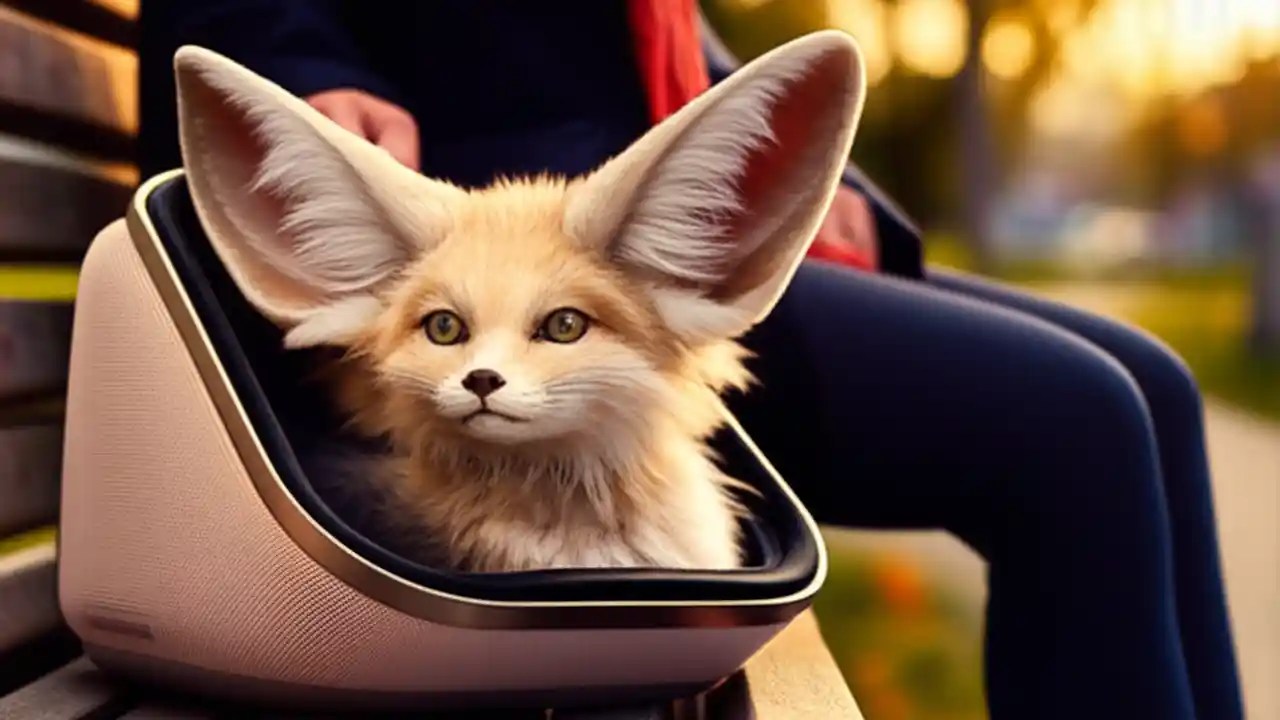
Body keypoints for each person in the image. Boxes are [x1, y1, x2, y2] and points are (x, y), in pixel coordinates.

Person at [135, 3, 1244, 718]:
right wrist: (295, 57)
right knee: (1077, 424)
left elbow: (650, 38)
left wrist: (836, 192)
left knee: (1151, 381)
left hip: (648, 191)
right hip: (522, 219)